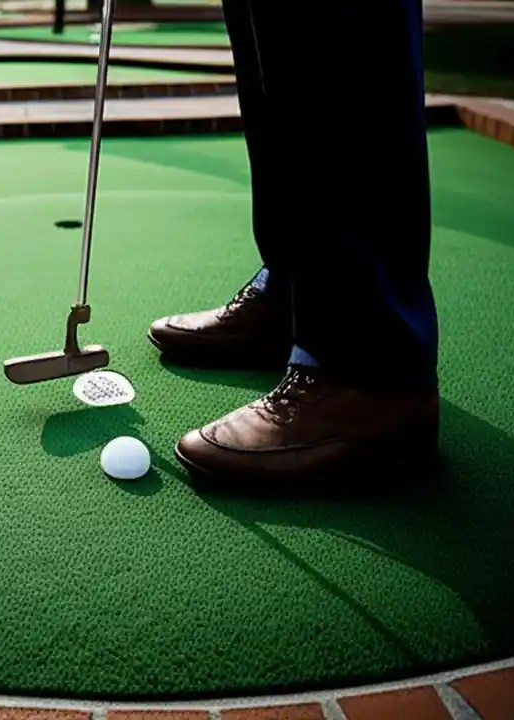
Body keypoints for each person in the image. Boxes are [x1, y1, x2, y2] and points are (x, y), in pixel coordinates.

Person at [149, 0, 441, 483]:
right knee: (268, 29)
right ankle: (295, 292)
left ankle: (364, 369)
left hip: (371, 361)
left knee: (333, 24)